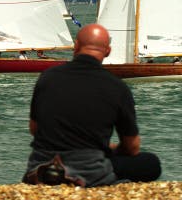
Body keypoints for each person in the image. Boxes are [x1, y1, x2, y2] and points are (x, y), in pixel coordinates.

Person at [23, 23, 161, 187]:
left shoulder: (47, 77)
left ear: (76, 46)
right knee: (151, 162)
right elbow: (132, 147)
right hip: (88, 171)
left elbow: (34, 129)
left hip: (41, 166)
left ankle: (54, 174)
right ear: (108, 51)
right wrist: (108, 149)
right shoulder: (117, 87)